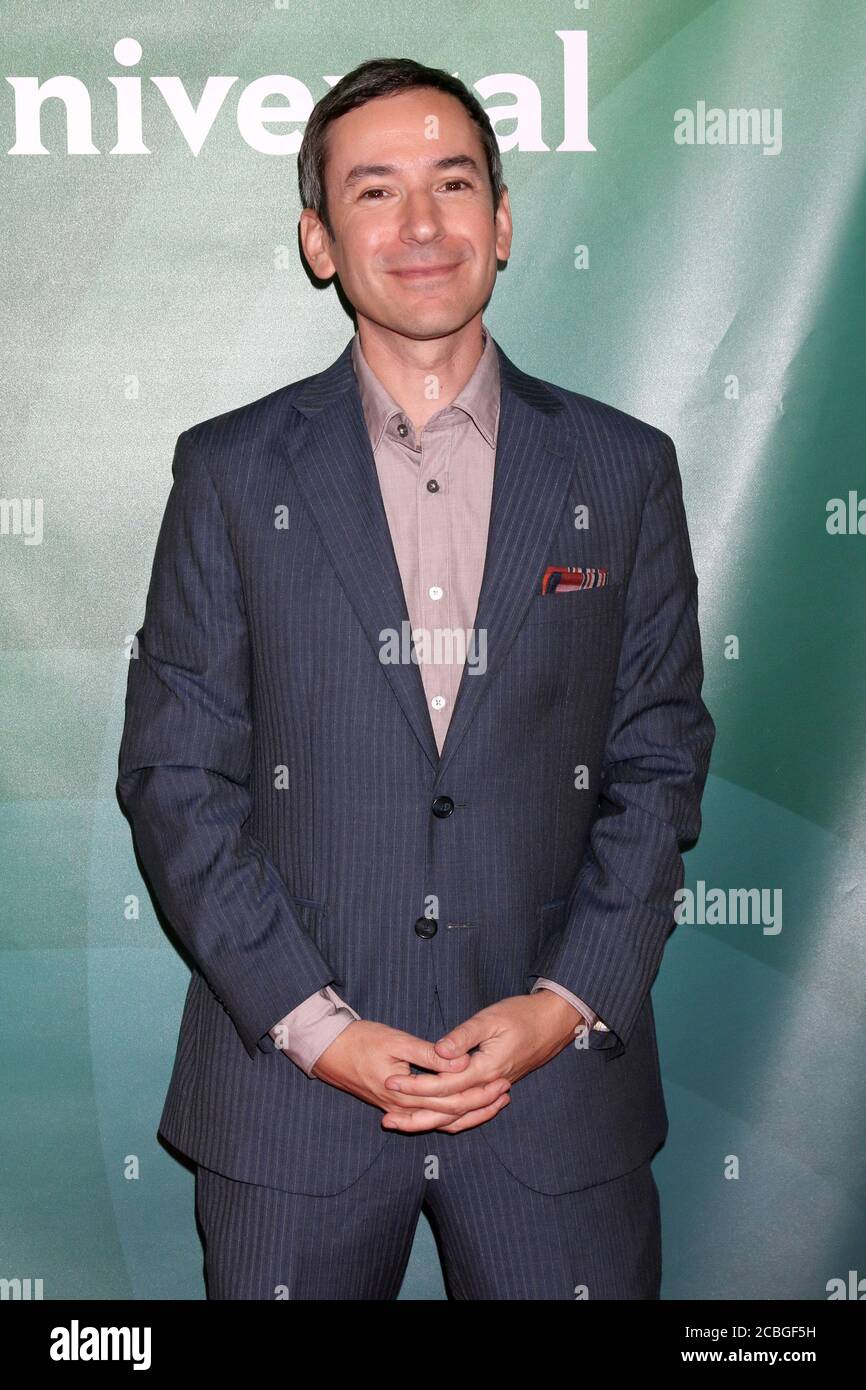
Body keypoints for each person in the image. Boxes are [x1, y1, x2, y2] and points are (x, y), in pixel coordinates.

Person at [117, 56, 715, 1300]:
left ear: (502, 220)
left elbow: (657, 761)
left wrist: (564, 1002)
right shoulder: (229, 473)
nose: (422, 224)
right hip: (290, 1106)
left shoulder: (622, 469)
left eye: (452, 183)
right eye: (374, 191)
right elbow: (177, 779)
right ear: (319, 241)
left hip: (557, 1105)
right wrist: (318, 1028)